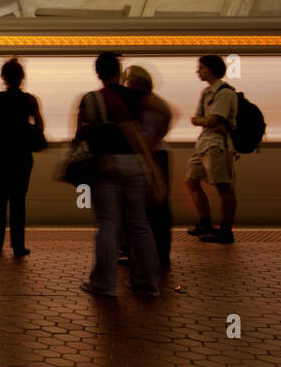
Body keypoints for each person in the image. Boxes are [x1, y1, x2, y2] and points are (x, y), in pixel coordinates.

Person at [77, 52, 165, 298]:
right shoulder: (136, 96)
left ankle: (103, 284)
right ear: (120, 70)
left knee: (107, 223)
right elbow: (165, 111)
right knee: (139, 224)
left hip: (105, 164)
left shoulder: (92, 99)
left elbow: (79, 135)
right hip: (135, 163)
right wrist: (153, 140)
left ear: (98, 73)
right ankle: (147, 282)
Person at [0, 58, 44, 257]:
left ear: (3, 77)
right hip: (21, 156)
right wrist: (24, 128)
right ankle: (18, 246)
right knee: (18, 201)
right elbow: (40, 126)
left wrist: (0, 126)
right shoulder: (30, 100)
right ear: (22, 77)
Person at [123, 66, 173, 270]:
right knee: (158, 207)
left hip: (149, 155)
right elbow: (169, 114)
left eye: (129, 80)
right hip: (158, 152)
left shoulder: (144, 100)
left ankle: (146, 255)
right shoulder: (151, 100)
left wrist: (151, 141)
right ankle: (159, 255)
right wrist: (158, 137)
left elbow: (168, 113)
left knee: (143, 207)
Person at [184, 54, 238, 245]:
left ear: (212, 69)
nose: (198, 71)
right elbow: (200, 119)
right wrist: (204, 121)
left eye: (201, 68)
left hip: (217, 145)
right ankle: (205, 223)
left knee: (223, 186)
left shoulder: (224, 93)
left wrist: (204, 121)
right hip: (204, 142)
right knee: (191, 181)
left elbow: (212, 119)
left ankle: (225, 229)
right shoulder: (207, 92)